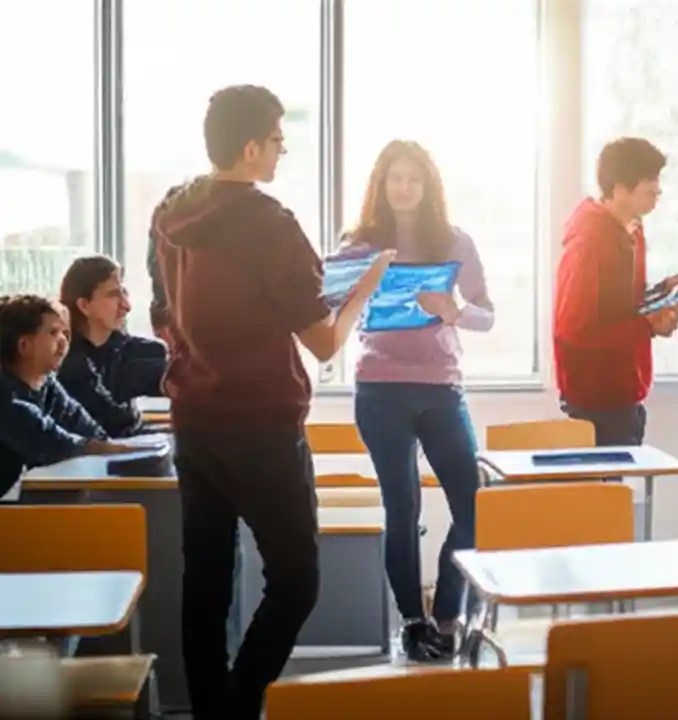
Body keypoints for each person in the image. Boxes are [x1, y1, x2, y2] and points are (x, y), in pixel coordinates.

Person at [148, 84, 391, 720]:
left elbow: (162, 312)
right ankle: (237, 703)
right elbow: (323, 342)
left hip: (195, 422)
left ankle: (213, 711)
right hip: (261, 424)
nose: (282, 151)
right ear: (252, 147)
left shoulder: (170, 213)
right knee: (297, 579)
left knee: (205, 583)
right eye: (279, 140)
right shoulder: (270, 223)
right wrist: (362, 288)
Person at [342, 140, 493, 661]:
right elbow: (325, 300)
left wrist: (454, 312)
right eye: (394, 178)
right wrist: (356, 289)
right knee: (401, 507)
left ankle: (447, 611)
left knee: (473, 504)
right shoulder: (359, 244)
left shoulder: (455, 241)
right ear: (381, 187)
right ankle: (412, 621)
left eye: (414, 178)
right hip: (379, 388)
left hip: (441, 387)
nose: (404, 187)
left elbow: (487, 313)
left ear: (428, 187)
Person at [553, 137, 678, 446]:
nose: (658, 194)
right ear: (619, 189)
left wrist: (665, 293)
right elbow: (573, 328)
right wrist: (648, 325)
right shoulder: (589, 241)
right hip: (597, 397)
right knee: (607, 493)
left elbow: (619, 304)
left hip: (624, 387)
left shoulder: (631, 228)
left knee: (620, 489)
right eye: (649, 187)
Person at [0, 294, 139, 498]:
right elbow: (52, 441)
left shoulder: (47, 384)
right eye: (53, 333)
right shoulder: (6, 398)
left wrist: (106, 443)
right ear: (24, 346)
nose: (64, 340)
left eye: (65, 332)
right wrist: (107, 448)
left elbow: (78, 421)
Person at [58, 255, 168, 437]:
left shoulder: (129, 349)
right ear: (84, 305)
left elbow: (167, 370)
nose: (127, 306)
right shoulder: (67, 360)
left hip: (128, 443)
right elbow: (110, 420)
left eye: (124, 292)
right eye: (114, 295)